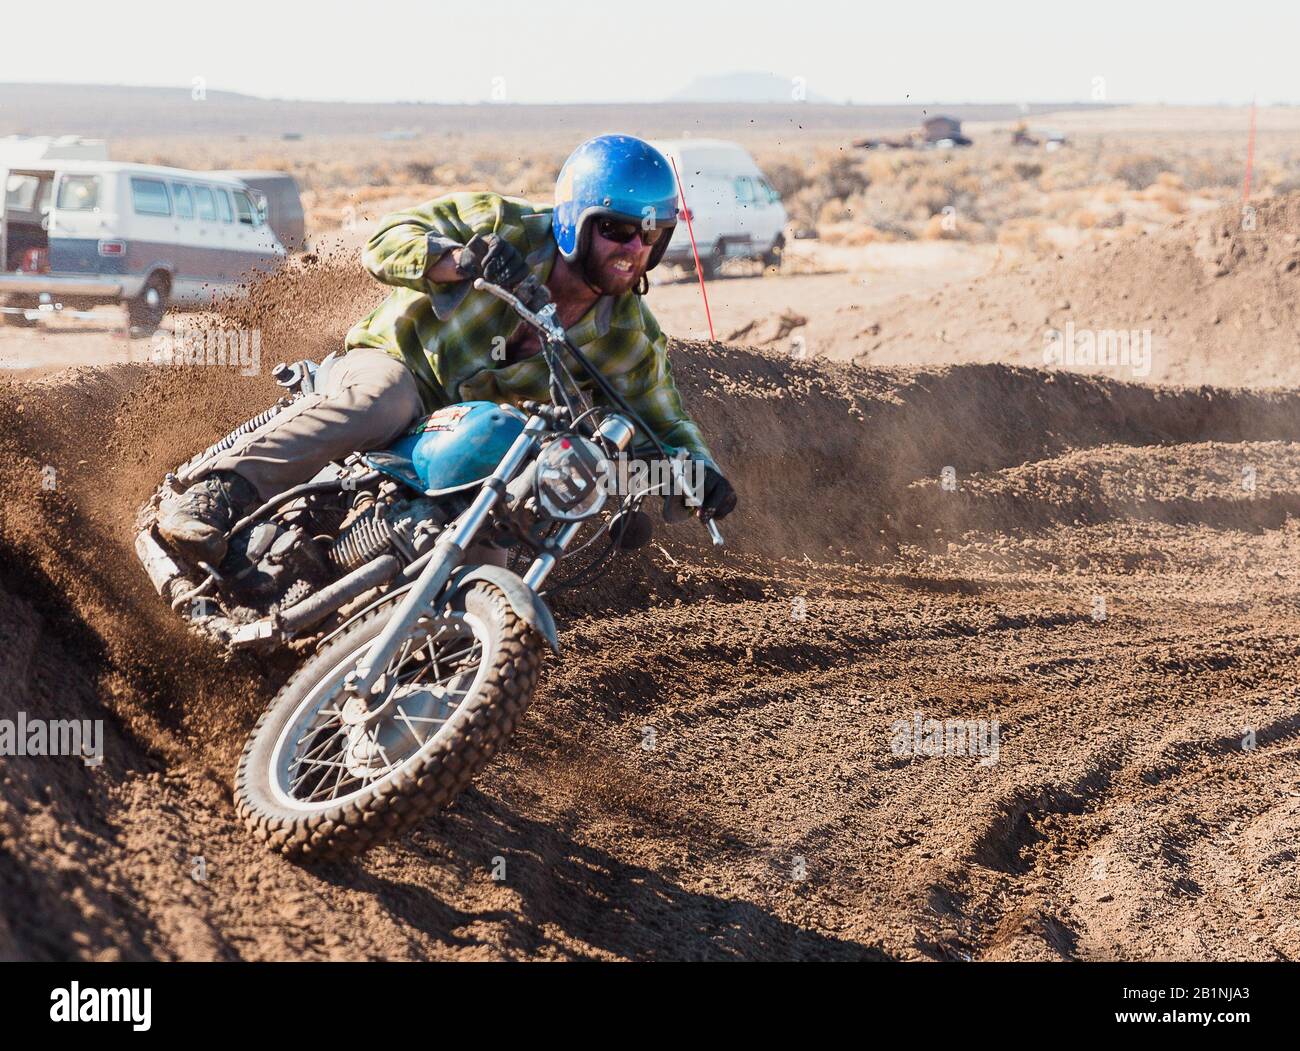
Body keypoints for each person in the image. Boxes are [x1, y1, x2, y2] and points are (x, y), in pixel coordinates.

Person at [158, 134, 737, 565]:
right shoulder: (500, 222)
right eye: (616, 228)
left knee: (503, 536)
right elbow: (384, 242)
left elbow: (666, 418)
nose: (634, 246)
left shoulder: (630, 337)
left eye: (651, 231)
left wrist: (700, 475)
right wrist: (458, 260)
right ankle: (218, 492)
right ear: (574, 222)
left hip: (478, 435)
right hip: (400, 366)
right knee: (383, 402)